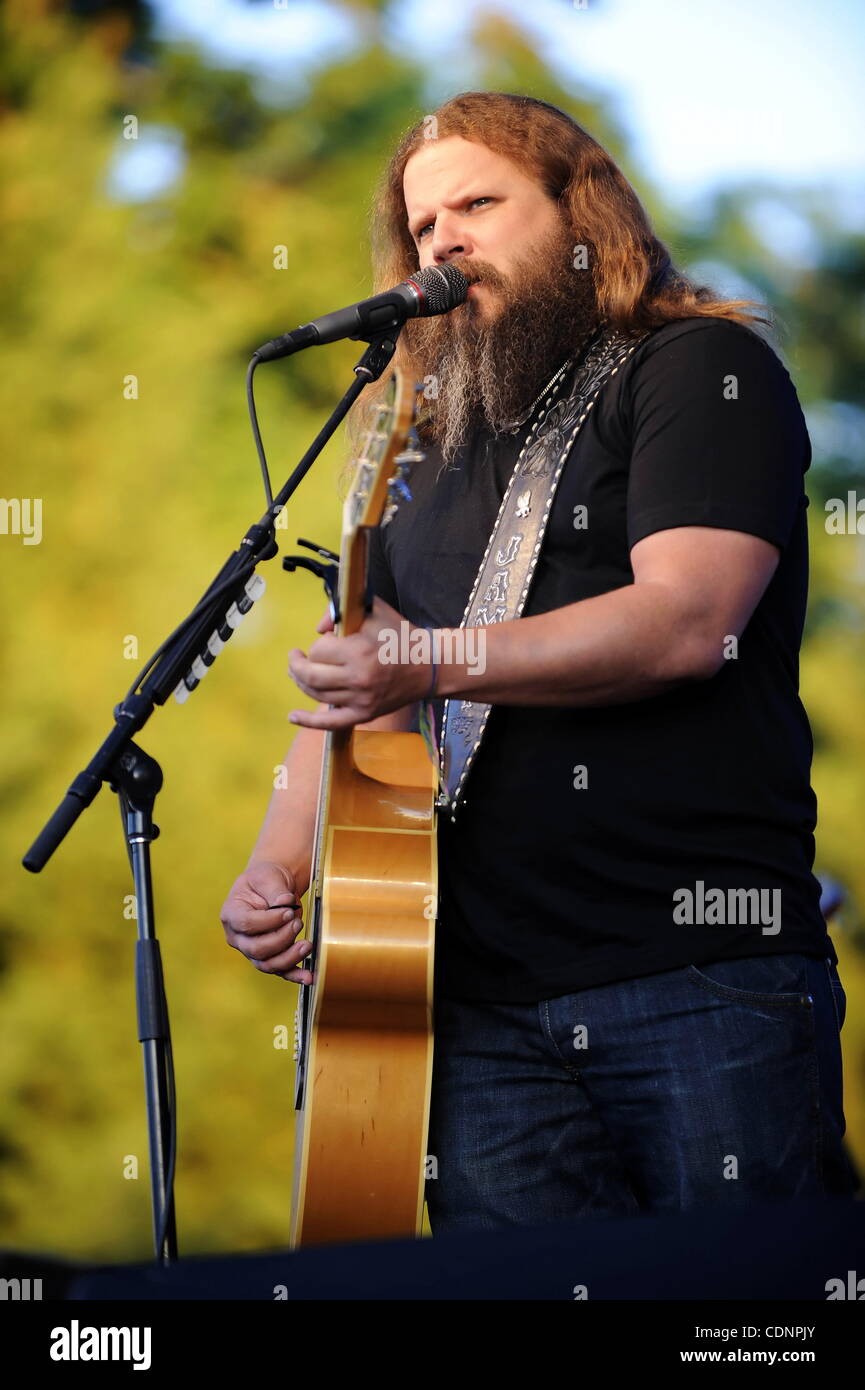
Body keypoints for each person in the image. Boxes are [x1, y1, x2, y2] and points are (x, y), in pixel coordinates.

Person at [220, 91, 859, 1231]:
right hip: (464, 1009)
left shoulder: (697, 369)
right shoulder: (420, 436)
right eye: (422, 226)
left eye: (478, 203)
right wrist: (281, 860)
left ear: (582, 212)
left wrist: (426, 661)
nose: (443, 240)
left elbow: (684, 623)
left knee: (749, 1326)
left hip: (693, 972)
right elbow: (358, 677)